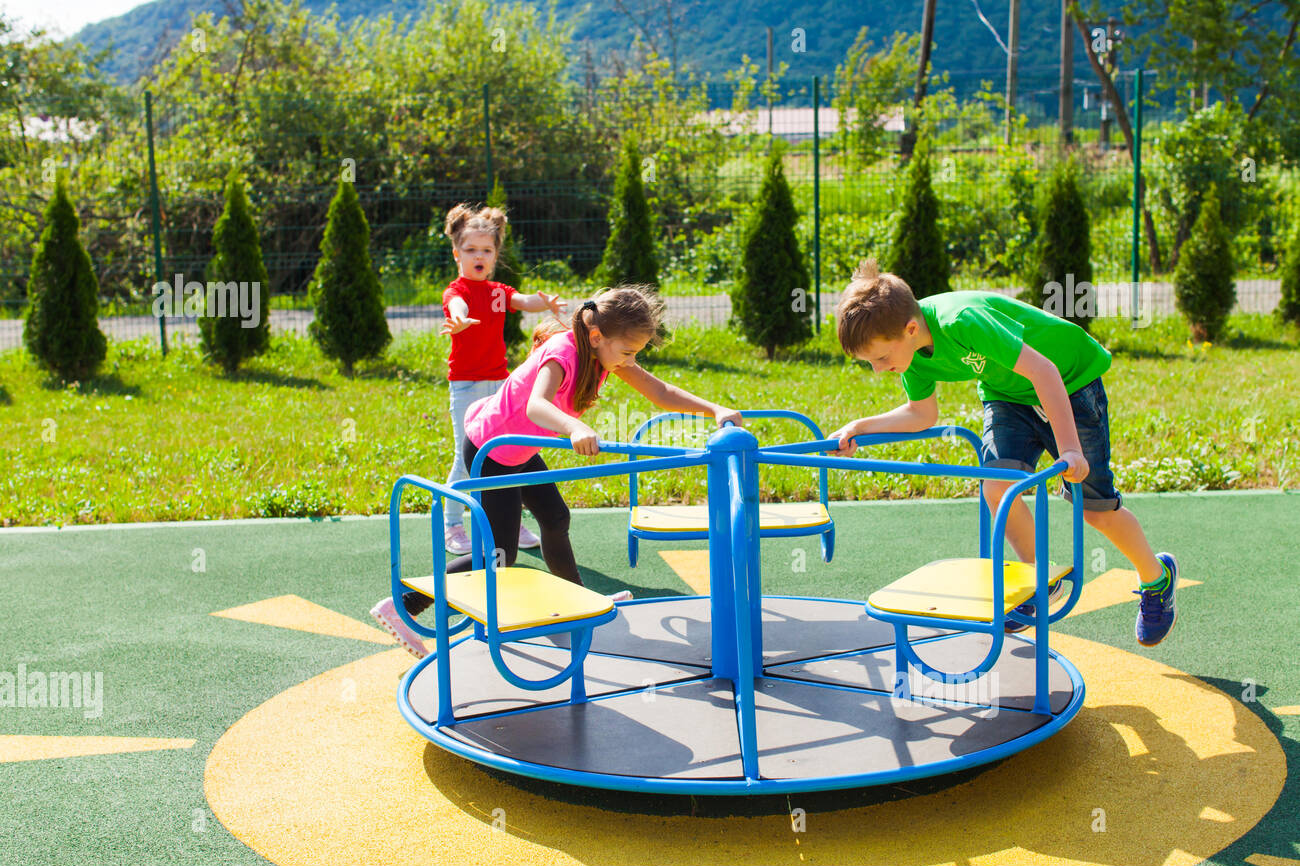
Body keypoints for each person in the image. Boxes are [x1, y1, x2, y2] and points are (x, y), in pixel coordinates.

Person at [371, 286, 744, 658]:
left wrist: (715, 409)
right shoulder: (563, 353)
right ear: (596, 336)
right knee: (499, 555)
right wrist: (574, 427)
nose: (630, 360)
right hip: (492, 449)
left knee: (555, 516)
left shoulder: (605, 353)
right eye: (628, 352)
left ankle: (576, 601)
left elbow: (660, 391)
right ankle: (401, 606)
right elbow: (537, 405)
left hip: (519, 448)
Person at [828, 259, 1178, 646]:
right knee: (997, 487)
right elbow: (922, 413)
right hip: (1007, 396)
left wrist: (1070, 450)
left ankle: (1156, 579)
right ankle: (1037, 584)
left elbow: (1045, 372)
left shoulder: (962, 321)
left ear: (910, 329)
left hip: (1071, 382)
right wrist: (860, 426)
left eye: (880, 359)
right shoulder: (911, 353)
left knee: (1096, 510)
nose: (879, 370)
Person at [439, 202, 565, 556]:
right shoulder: (457, 292)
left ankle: (510, 520)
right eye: (471, 250)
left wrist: (545, 303)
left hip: (501, 386)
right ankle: (453, 524)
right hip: (467, 385)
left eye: (486, 250)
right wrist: (461, 320)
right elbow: (457, 308)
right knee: (466, 457)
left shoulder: (497, 291)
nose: (479, 256)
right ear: (456, 254)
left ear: (495, 255)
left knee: (509, 453)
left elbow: (521, 300)